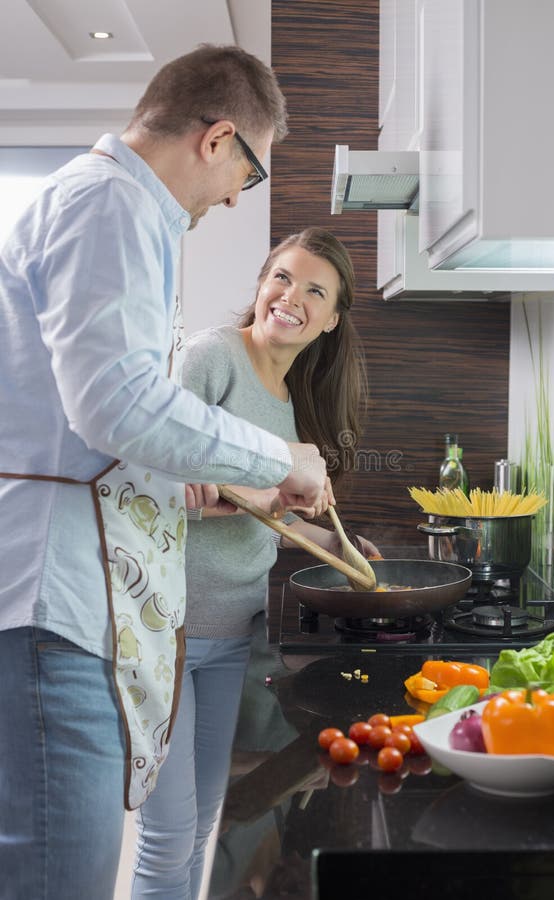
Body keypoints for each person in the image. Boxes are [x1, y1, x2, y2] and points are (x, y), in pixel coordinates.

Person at [0, 46, 333, 900]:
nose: (235, 198)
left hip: (76, 601)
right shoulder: (109, 202)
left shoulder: (119, 210)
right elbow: (118, 404)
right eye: (249, 173)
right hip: (55, 599)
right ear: (217, 139)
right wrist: (278, 460)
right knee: (64, 875)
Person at [131, 228, 378, 899]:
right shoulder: (212, 357)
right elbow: (150, 493)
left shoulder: (288, 401)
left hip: (231, 633)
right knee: (168, 832)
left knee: (203, 824)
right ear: (262, 284)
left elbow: (272, 516)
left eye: (314, 291)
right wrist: (265, 495)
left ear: (331, 320)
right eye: (282, 278)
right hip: (168, 630)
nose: (291, 297)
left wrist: (337, 546)